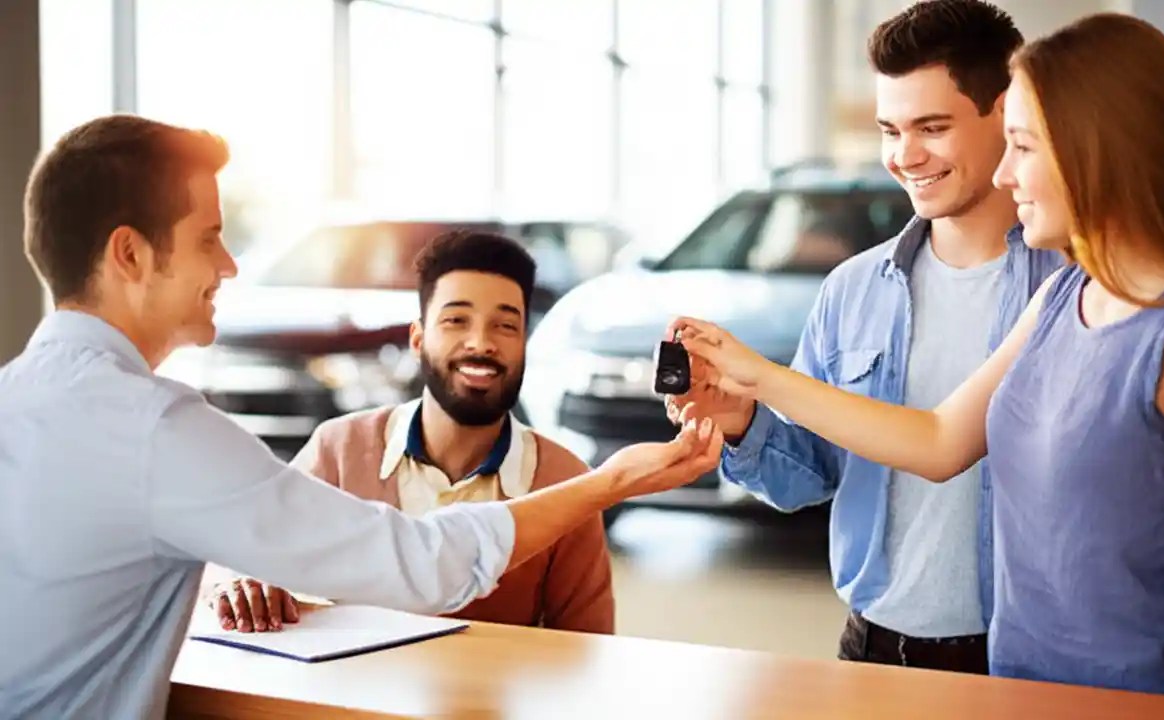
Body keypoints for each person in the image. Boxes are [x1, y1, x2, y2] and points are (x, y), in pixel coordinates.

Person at [0, 114, 722, 719]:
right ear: (129, 253)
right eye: (207, 237)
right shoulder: (158, 431)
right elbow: (423, 565)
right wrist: (611, 482)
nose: (229, 265)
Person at [672, 12, 1164, 701]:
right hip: (994, 687)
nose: (1005, 175)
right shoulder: (1063, 297)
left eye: (1021, 145)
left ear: (1092, 149)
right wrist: (756, 386)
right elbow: (936, 441)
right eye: (889, 131)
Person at [668, 0, 1059, 674]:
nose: (905, 156)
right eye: (890, 129)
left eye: (932, 127)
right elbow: (809, 476)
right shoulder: (852, 291)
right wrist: (743, 424)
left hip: (1024, 659)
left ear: (1006, 113)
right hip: (870, 647)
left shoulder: (1073, 287)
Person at [208, 231, 615, 636]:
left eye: (506, 326)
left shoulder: (566, 482)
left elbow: (589, 651)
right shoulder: (340, 449)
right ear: (418, 339)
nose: (481, 342)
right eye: (456, 320)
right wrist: (243, 580)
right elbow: (248, 549)